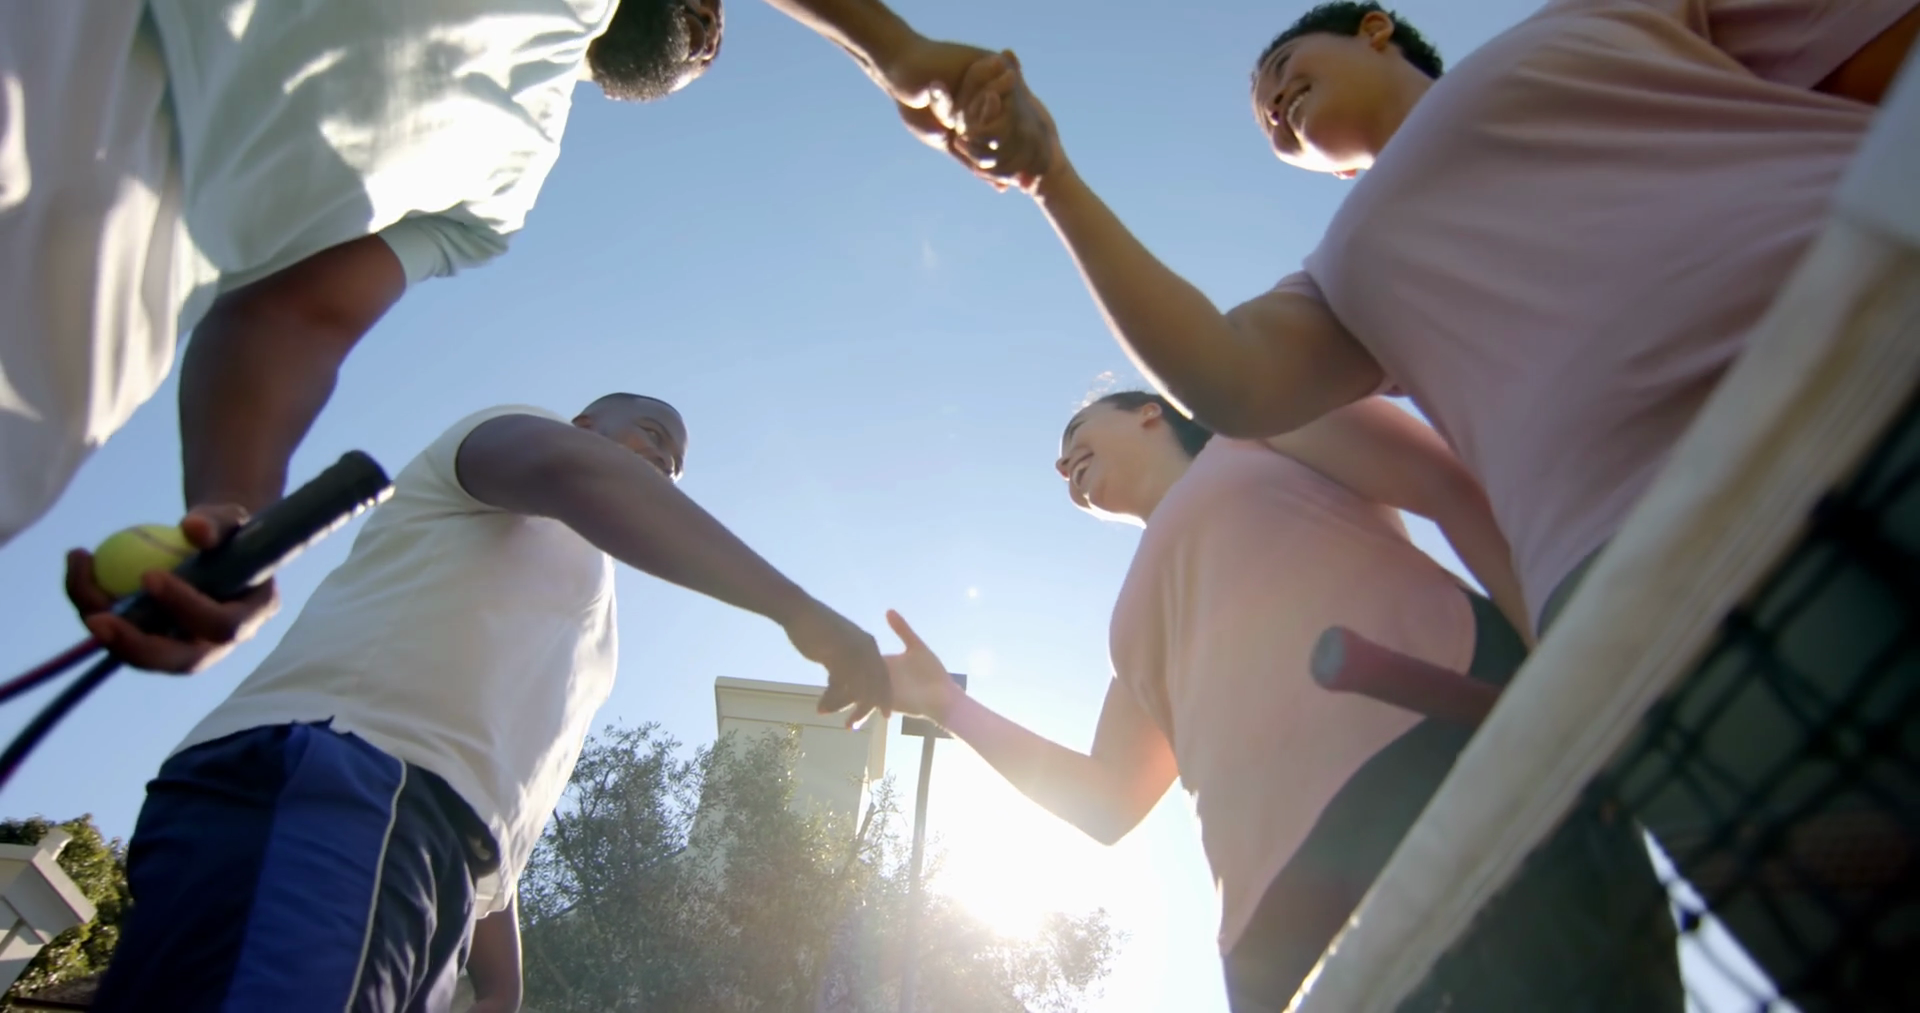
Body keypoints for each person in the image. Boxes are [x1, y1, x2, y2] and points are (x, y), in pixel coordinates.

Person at [937, 1, 1917, 1001]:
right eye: (1262, 115)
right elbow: (1224, 371)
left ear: (1373, 28)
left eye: (1282, 67)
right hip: (1673, 598)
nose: (1270, 103)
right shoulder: (1341, 279)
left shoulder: (1595, 19)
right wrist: (1048, 176)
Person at [7, 0, 994, 702]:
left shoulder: (506, 184)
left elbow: (289, 318)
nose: (708, 31)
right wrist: (897, 48)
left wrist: (236, 512)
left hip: (45, 374)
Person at [880, 391, 1680, 1011]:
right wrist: (947, 707)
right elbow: (1107, 800)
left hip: (1448, 767)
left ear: (1151, 412)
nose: (1062, 468)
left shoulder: (1253, 421)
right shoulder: (1129, 619)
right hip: (1275, 933)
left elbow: (1450, 486)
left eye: (1076, 435)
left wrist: (1572, 671)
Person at [86, 393, 891, 1009]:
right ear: (584, 420)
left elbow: (494, 800)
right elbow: (571, 468)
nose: (665, 461)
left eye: (677, 462)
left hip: (419, 855)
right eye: (651, 432)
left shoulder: (585, 622)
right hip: (339, 782)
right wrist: (801, 609)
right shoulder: (510, 442)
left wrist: (499, 979)